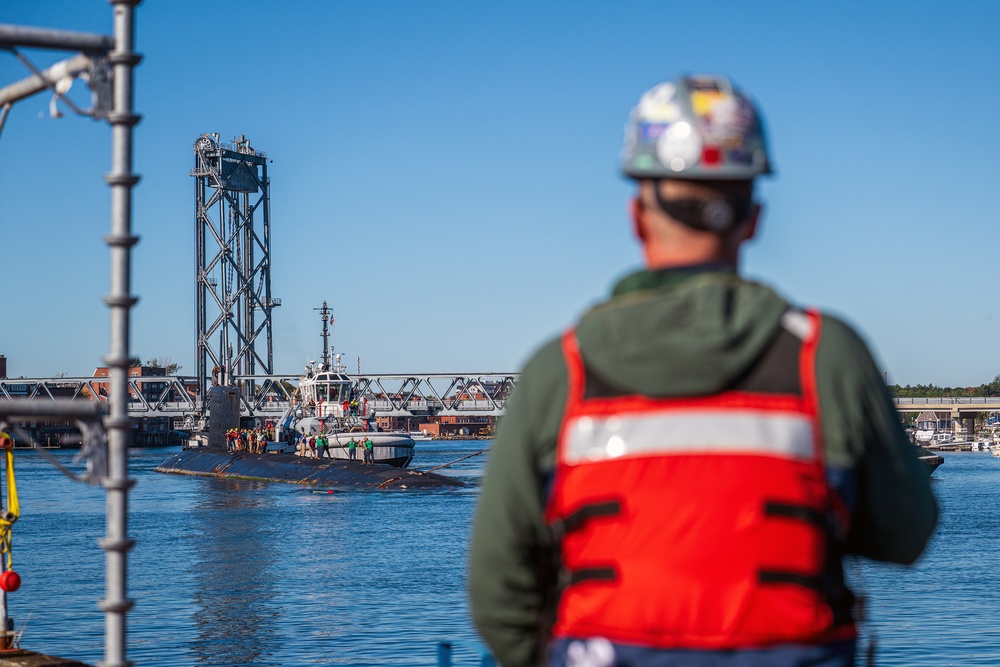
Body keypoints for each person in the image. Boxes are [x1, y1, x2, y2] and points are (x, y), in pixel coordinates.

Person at [468, 74, 938, 667]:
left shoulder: (559, 372)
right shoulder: (826, 356)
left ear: (638, 216)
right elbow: (907, 532)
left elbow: (496, 594)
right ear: (753, 218)